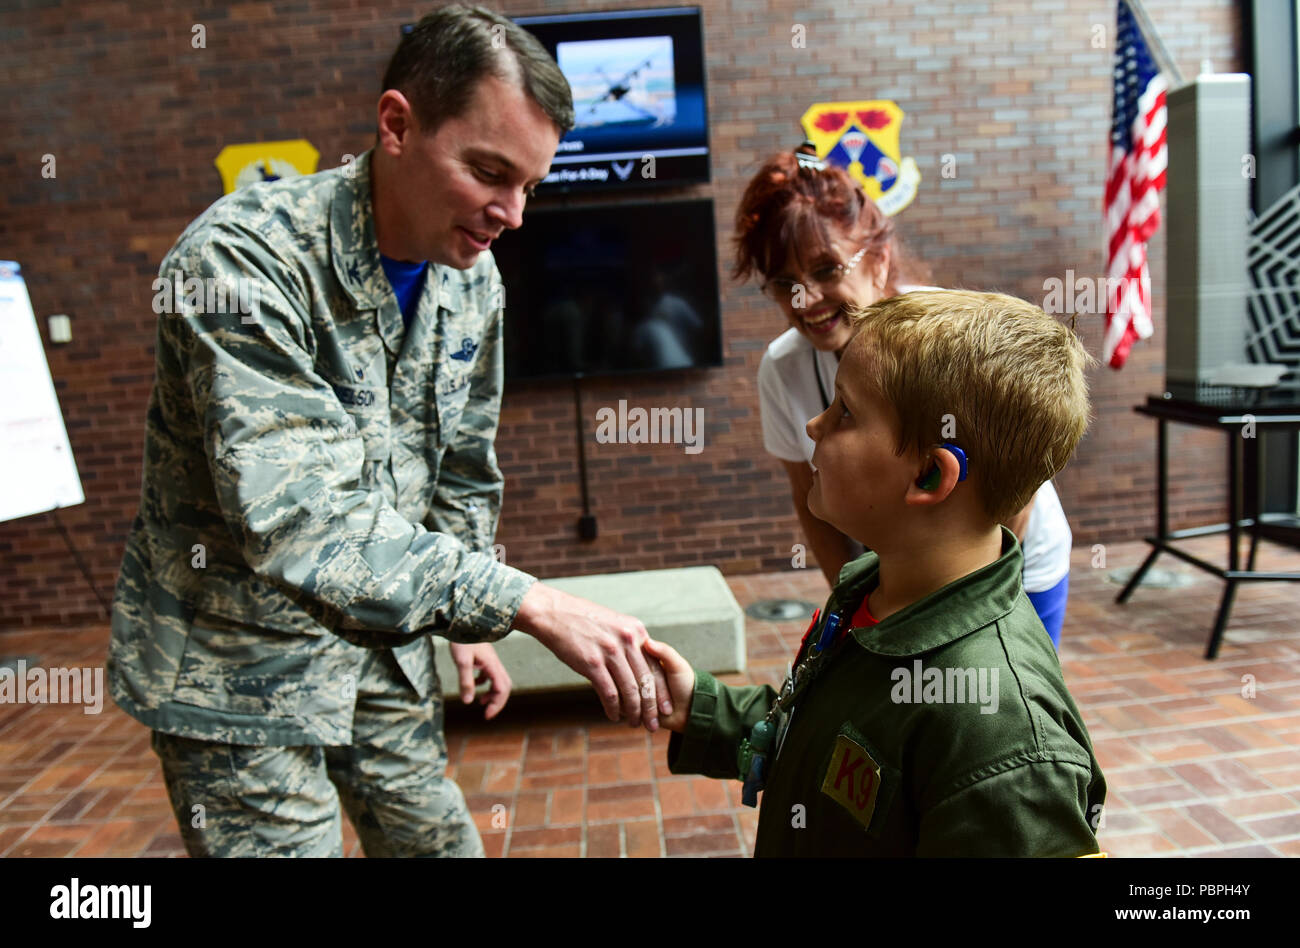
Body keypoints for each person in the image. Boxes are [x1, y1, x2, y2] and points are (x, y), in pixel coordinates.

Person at [106, 4, 669, 859]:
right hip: (239, 665)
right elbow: (304, 521)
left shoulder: (470, 283)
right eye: (488, 172)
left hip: (381, 656)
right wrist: (525, 603)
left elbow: (463, 474)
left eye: (530, 186)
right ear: (398, 125)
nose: (511, 214)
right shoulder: (238, 263)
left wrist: (464, 627)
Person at [645, 290, 1106, 856]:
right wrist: (701, 707)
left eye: (845, 412)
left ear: (930, 479)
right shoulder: (872, 587)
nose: (814, 425)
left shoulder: (1002, 736)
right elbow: (828, 732)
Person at [737, 145, 1074, 647]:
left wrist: (962, 608)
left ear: (878, 259)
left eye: (827, 270)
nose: (805, 299)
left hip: (1013, 566)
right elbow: (808, 500)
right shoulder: (782, 367)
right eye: (784, 283)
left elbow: (1015, 485)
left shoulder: (952, 337)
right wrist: (854, 606)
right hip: (899, 578)